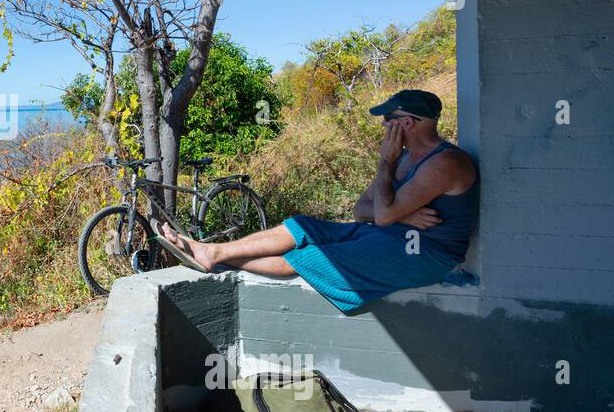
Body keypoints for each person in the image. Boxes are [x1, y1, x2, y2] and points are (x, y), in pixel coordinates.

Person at [156, 89, 479, 312]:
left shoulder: (444, 163)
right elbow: (362, 209)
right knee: (301, 227)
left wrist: (386, 167)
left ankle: (214, 257)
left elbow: (381, 214)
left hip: (425, 253)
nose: (383, 125)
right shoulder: (407, 159)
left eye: (388, 119)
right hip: (394, 233)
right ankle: (213, 251)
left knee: (312, 258)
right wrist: (401, 215)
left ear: (406, 123)